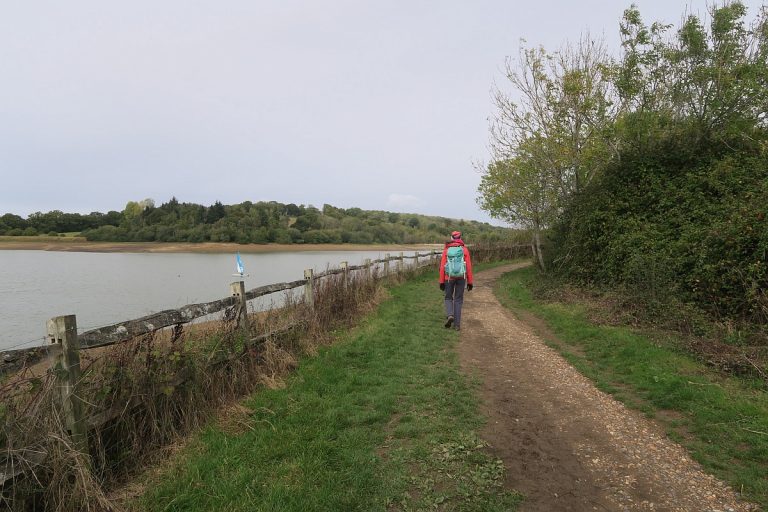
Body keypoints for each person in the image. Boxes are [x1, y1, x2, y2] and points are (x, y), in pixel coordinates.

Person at [439, 230, 473, 331]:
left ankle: (450, 315)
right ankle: (457, 325)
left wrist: (441, 281)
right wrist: (470, 282)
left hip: (448, 278)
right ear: (460, 238)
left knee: (448, 298)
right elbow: (469, 267)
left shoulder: (446, 250)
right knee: (458, 300)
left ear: (451, 238)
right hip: (461, 278)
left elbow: (442, 267)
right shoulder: (464, 250)